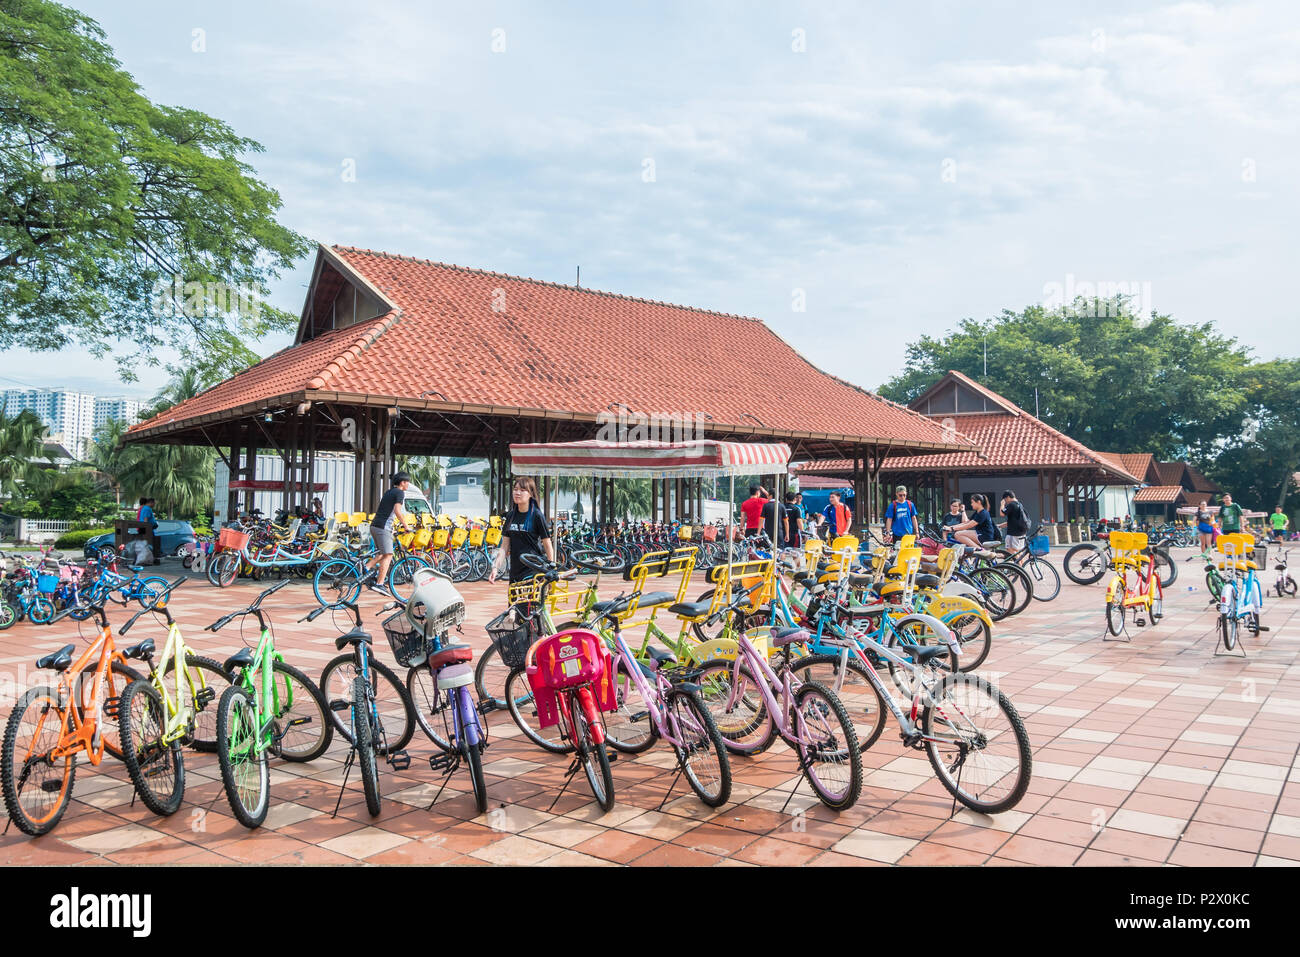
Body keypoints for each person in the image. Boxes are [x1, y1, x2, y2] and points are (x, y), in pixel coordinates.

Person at [491, 476, 555, 583]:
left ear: (531, 494)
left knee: (529, 600)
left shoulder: (537, 516)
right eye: (515, 489)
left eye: (522, 490)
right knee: (514, 600)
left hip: (533, 569)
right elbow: (504, 546)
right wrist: (495, 568)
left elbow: (547, 544)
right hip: (515, 571)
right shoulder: (511, 516)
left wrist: (551, 569)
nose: (517, 493)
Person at [369, 473, 413, 595]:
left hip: (375, 526)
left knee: (382, 553)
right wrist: (406, 526)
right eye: (407, 482)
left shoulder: (389, 492)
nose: (408, 484)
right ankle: (379, 583)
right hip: (382, 527)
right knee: (388, 554)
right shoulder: (400, 493)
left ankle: (366, 569)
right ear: (403, 482)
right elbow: (397, 511)